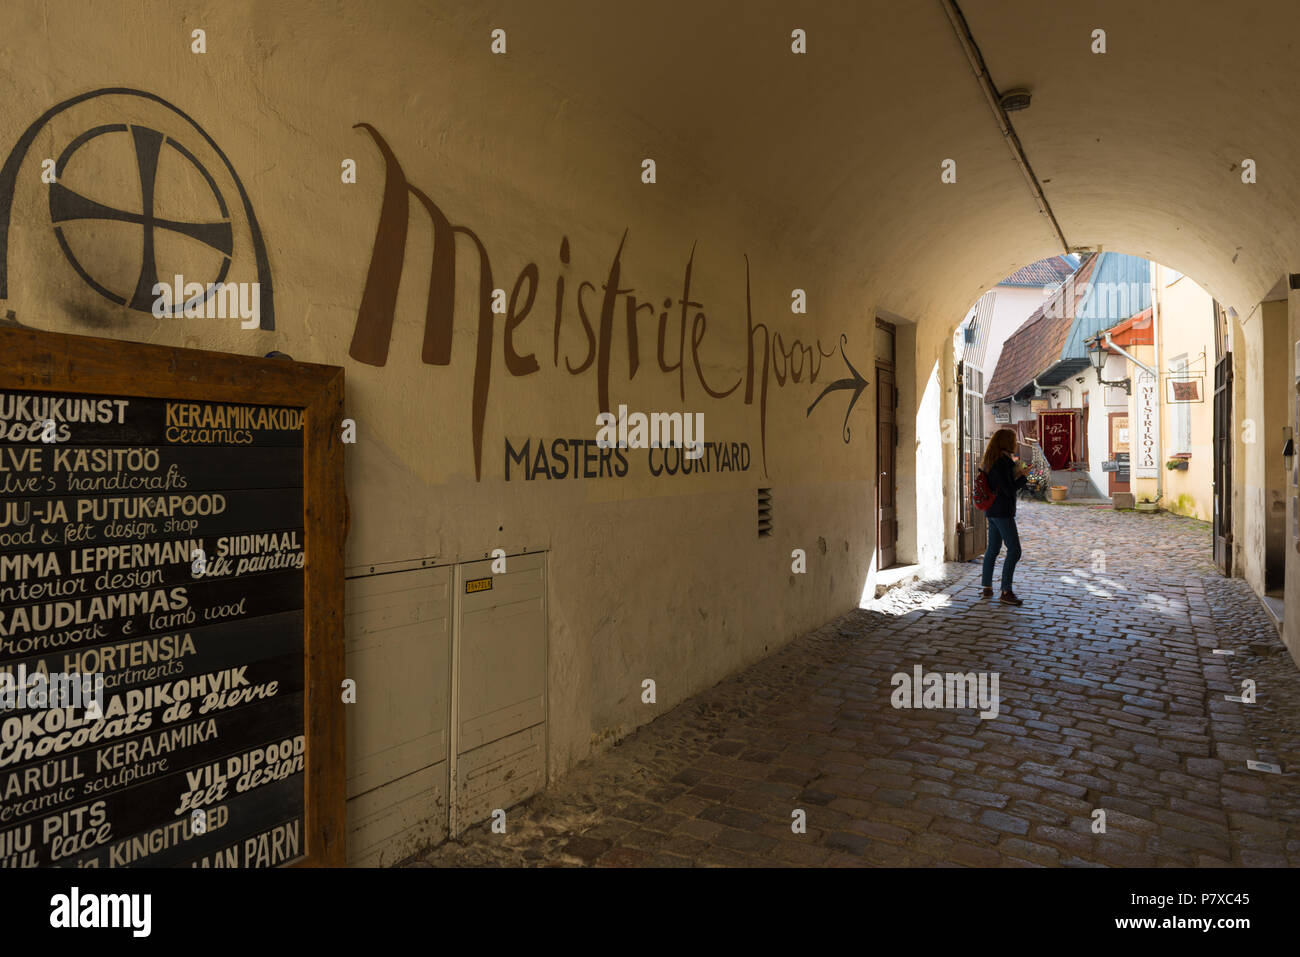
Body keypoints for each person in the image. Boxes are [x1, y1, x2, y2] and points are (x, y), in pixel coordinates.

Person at [979, 427, 1028, 606]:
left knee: (993, 549)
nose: (1015, 443)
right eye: (1013, 440)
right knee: (1014, 550)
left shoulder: (993, 460)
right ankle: (1006, 591)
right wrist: (1022, 477)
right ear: (1007, 442)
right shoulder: (1001, 462)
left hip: (992, 510)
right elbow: (1008, 489)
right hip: (1002, 512)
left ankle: (987, 586)